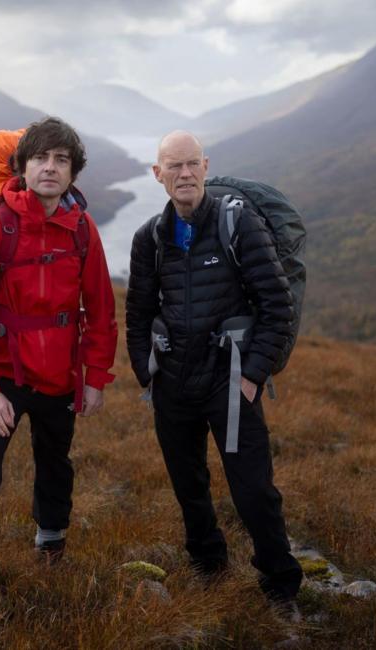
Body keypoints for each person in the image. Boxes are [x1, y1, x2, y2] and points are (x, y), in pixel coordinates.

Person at [0, 117, 118, 636]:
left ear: (73, 172)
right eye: (40, 158)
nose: (49, 168)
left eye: (61, 160)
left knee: (55, 461)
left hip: (58, 374)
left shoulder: (82, 230)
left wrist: (95, 376)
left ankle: (51, 548)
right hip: (4, 376)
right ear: (22, 167)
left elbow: (101, 309)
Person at [125, 131, 304, 611]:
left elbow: (277, 304)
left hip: (230, 383)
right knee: (189, 487)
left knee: (254, 491)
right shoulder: (149, 238)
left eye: (192, 164)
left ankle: (281, 584)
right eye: (174, 166)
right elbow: (138, 313)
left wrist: (253, 374)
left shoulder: (237, 223)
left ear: (205, 166)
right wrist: (147, 373)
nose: (184, 174)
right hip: (173, 384)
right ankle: (209, 567)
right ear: (157, 174)